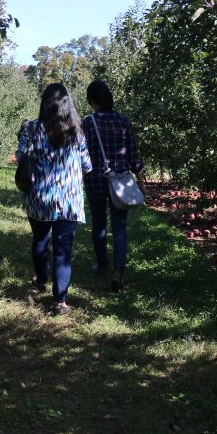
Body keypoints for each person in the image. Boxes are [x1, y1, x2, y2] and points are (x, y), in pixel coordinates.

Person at [17, 83, 92, 314]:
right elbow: (87, 165)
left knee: (40, 240)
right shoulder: (76, 132)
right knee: (63, 249)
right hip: (69, 200)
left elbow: (20, 157)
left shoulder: (32, 128)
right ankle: (60, 301)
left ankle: (40, 279)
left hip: (40, 197)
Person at [81, 80, 144, 292]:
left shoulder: (87, 123)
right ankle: (118, 271)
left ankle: (101, 264)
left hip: (96, 180)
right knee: (119, 227)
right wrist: (141, 182)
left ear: (92, 101)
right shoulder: (123, 121)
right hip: (121, 183)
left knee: (98, 223)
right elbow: (133, 154)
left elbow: (81, 153)